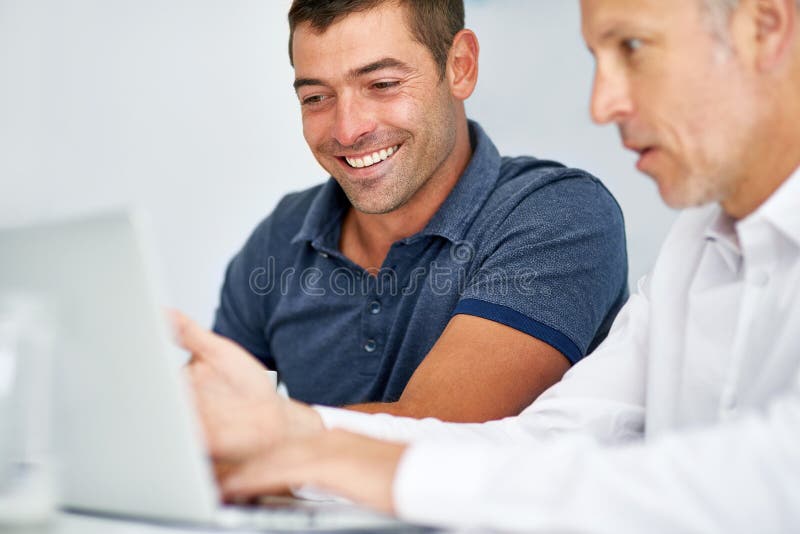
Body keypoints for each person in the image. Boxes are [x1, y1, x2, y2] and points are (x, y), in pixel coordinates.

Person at [174, 0, 800, 531]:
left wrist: (294, 441)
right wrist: (288, 435)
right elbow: (545, 441)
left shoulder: (552, 212)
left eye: (633, 48)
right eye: (316, 95)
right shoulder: (695, 249)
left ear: (765, 28)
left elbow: (741, 484)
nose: (601, 104)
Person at [211, 0, 628, 422]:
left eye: (383, 84)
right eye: (317, 97)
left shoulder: (559, 216)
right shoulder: (282, 235)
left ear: (460, 67)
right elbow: (203, 426)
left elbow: (434, 430)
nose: (347, 129)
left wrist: (258, 434)